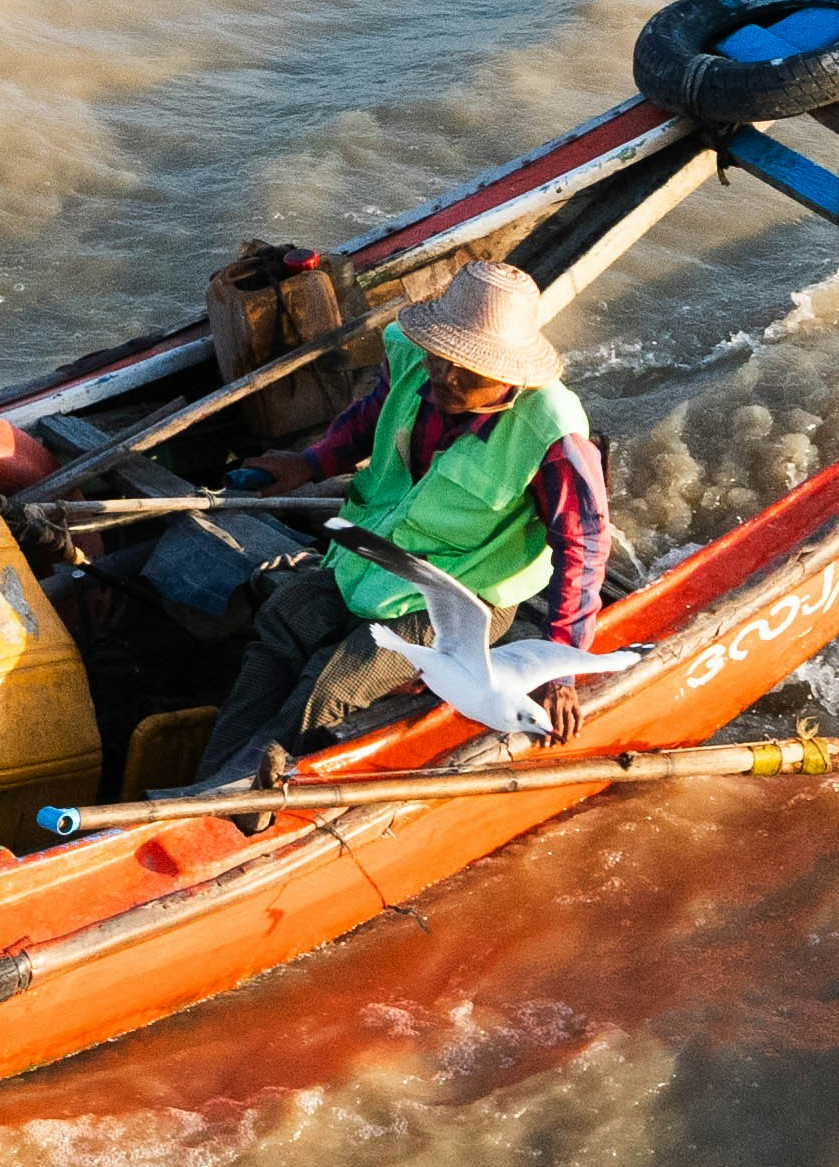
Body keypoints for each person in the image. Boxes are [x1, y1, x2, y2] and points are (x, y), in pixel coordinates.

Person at [195, 258, 612, 783]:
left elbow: (584, 546)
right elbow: (370, 417)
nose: (447, 374)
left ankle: (242, 794)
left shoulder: (553, 433)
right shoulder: (414, 358)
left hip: (462, 592)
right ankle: (209, 775)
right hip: (368, 560)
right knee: (281, 618)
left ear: (508, 375)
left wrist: (562, 667)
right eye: (442, 356)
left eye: (468, 367)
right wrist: (308, 464)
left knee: (329, 684)